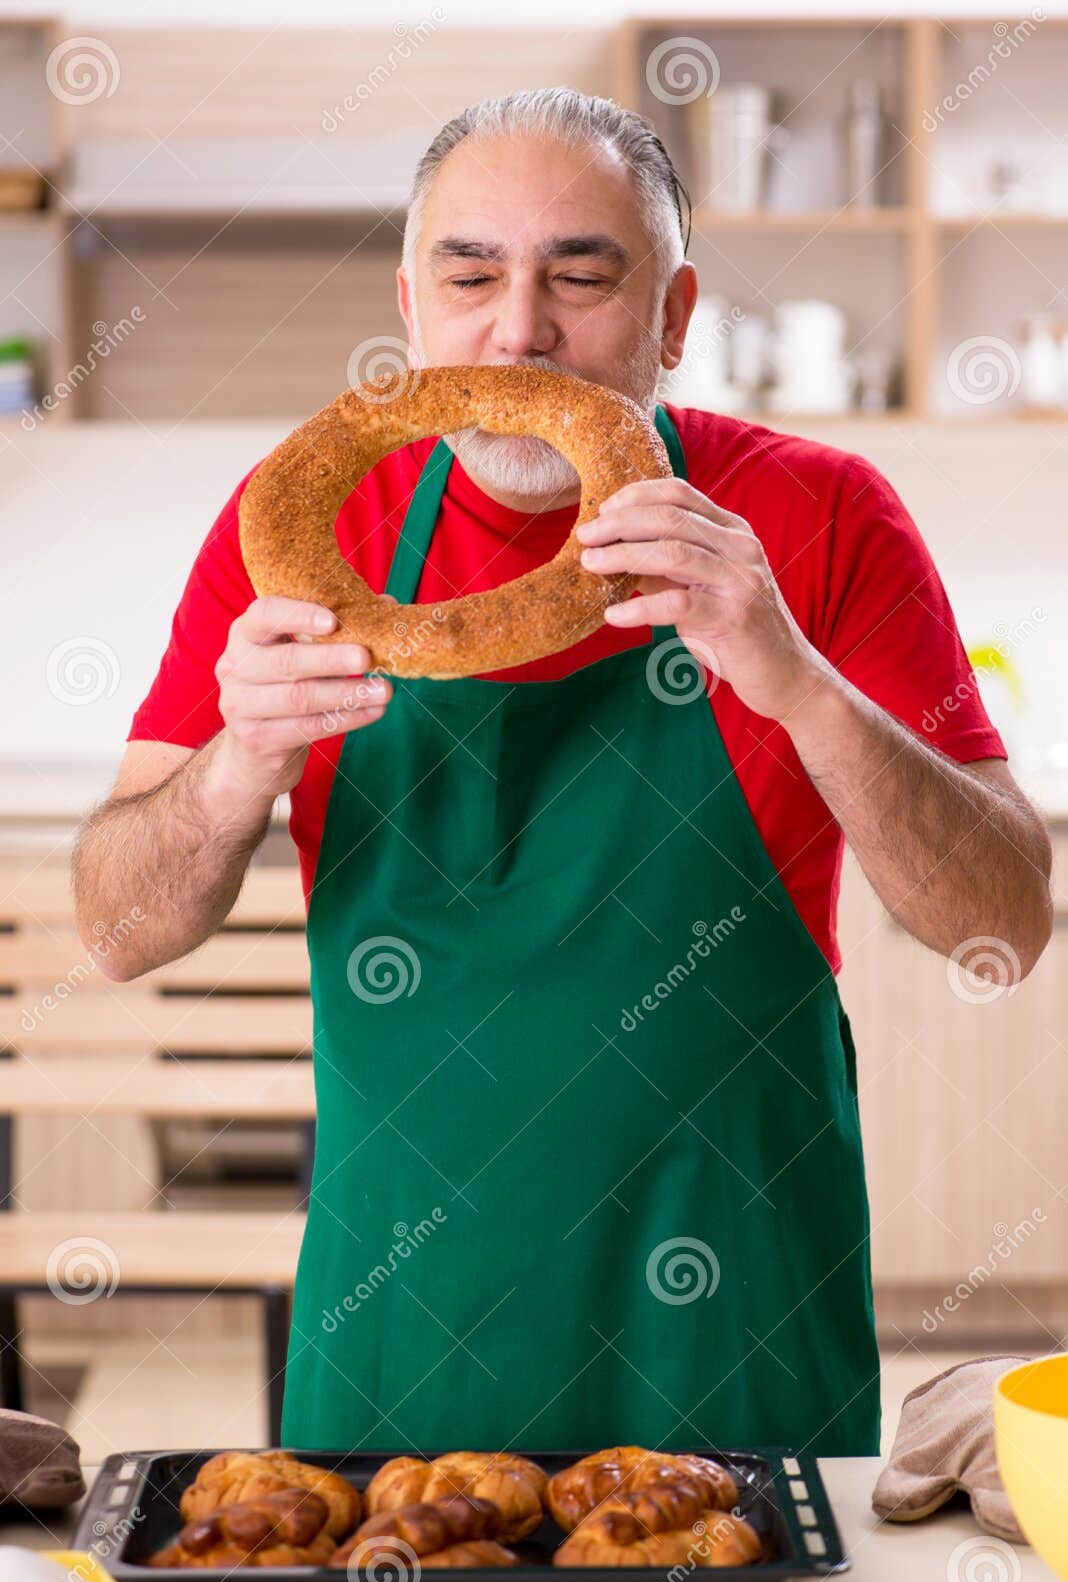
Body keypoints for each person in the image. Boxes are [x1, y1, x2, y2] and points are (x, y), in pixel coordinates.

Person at [73, 88, 1052, 1458]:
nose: (519, 328)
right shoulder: (302, 540)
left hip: (736, 1320)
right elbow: (117, 931)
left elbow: (1003, 921)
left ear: (674, 314)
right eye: (471, 276)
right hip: (406, 1319)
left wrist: (791, 679)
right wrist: (241, 761)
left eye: (580, 276)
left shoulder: (819, 518)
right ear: (411, 307)